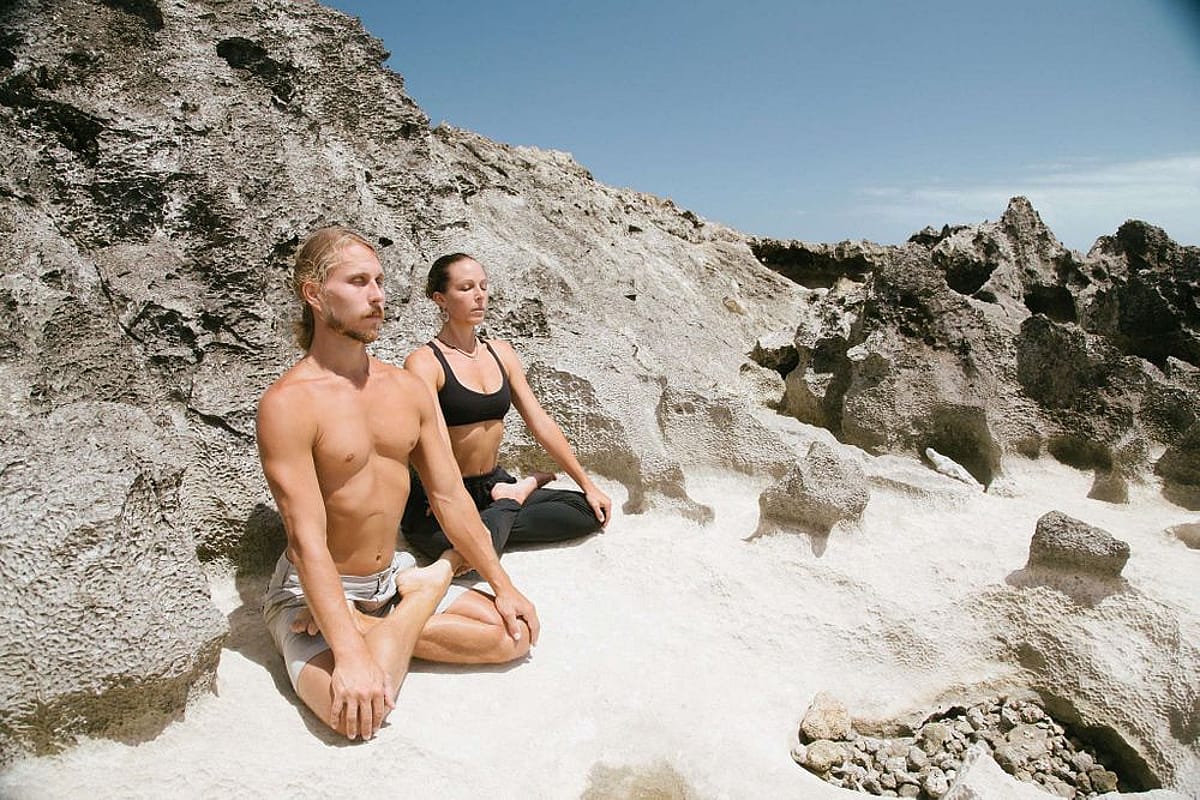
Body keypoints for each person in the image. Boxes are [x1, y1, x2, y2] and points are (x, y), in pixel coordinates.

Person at [257, 227, 540, 742]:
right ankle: (403, 601)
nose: (377, 295)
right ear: (314, 294)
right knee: (359, 712)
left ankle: (396, 607)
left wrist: (502, 584)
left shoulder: (406, 390)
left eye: (380, 281)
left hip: (388, 578)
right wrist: (346, 649)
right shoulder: (289, 403)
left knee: (513, 635)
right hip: (314, 590)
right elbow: (306, 538)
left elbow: (450, 496)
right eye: (359, 282)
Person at [401, 252, 612, 562]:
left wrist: (588, 485)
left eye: (483, 286)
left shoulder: (501, 353)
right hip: (445, 490)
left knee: (587, 511)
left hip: (493, 485)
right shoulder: (424, 361)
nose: (479, 296)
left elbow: (540, 422)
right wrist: (446, 493)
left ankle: (496, 518)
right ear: (440, 299)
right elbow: (433, 438)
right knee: (440, 541)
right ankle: (517, 497)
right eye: (466, 288)